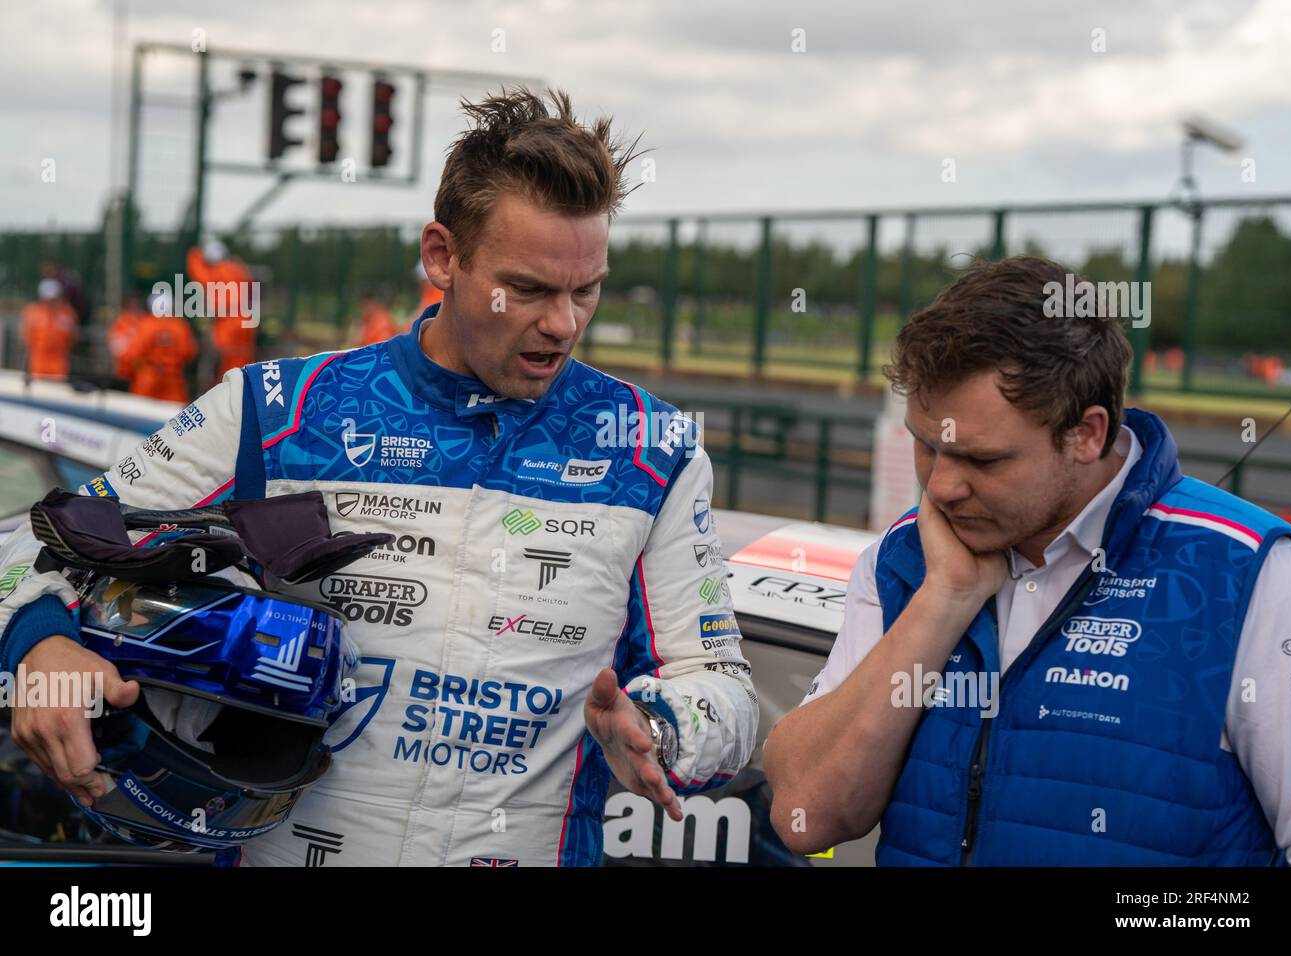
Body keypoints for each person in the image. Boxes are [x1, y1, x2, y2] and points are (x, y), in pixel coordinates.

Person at [0, 87, 758, 867]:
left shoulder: (652, 450)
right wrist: (39, 646)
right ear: (442, 256)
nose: (562, 322)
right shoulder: (277, 410)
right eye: (527, 289)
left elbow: (727, 687)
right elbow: (31, 542)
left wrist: (665, 725)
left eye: (585, 290)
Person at [765, 256, 1291, 866]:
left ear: (1088, 434)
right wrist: (944, 599)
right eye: (925, 444)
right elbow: (805, 815)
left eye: (983, 460)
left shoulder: (1251, 576)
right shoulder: (905, 558)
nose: (940, 486)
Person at [186, 239, 256, 380]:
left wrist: (194, 254)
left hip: (228, 322)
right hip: (246, 320)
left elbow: (198, 273)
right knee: (243, 361)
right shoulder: (239, 269)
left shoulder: (217, 272)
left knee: (227, 363)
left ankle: (229, 393)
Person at [121, 291, 198, 402]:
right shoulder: (180, 326)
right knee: (174, 415)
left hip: (147, 378)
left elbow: (132, 353)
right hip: (173, 379)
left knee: (139, 412)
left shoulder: (146, 324)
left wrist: (131, 370)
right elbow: (188, 352)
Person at [20, 279, 79, 380]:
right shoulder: (33, 312)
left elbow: (72, 337)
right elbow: (27, 336)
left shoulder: (67, 313)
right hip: (38, 361)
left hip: (59, 362)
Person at [108, 293, 149, 384]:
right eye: (131, 304)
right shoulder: (121, 323)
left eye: (136, 304)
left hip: (143, 374)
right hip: (124, 372)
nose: (134, 307)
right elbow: (117, 348)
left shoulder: (146, 321)